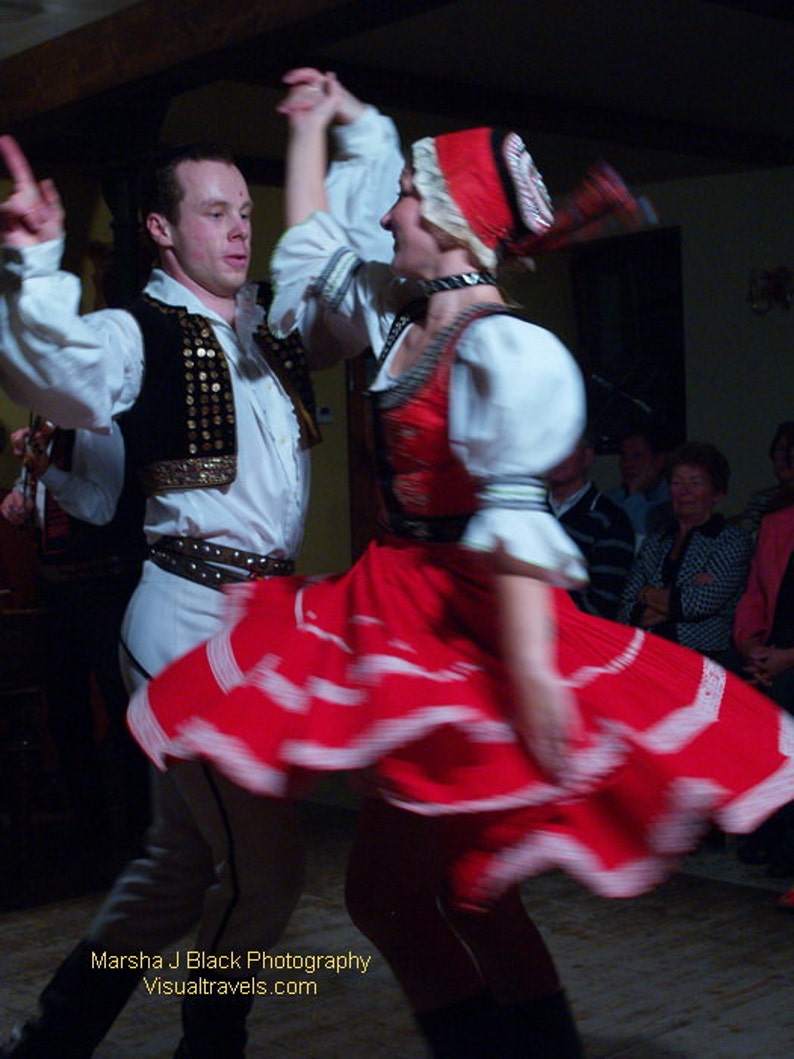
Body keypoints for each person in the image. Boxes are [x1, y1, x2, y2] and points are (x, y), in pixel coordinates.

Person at [127, 71, 794, 1059]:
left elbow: (518, 528)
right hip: (403, 616)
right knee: (456, 897)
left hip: (465, 634)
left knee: (422, 896)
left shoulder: (499, 348)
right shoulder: (401, 321)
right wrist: (326, 128)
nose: (386, 204)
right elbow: (314, 260)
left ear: (438, 217)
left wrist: (526, 675)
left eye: (402, 189)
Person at [0, 127, 400, 1057]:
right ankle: (211, 1043)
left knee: (175, 872)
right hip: (182, 620)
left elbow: (360, 291)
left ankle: (51, 1038)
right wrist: (34, 264)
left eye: (245, 211)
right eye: (213, 212)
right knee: (267, 876)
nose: (236, 229)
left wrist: (360, 146)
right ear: (162, 229)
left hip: (263, 620)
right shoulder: (132, 331)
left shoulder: (273, 330)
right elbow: (57, 378)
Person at [0, 418, 148, 864]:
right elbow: (38, 499)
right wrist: (20, 498)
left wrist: (45, 472)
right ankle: (90, 835)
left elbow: (98, 507)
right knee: (65, 715)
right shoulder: (45, 430)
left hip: (108, 587)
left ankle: (142, 836)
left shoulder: (102, 429)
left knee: (124, 711)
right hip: (55, 589)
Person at [617, 441, 752, 664]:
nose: (684, 492)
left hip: (706, 656)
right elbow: (625, 609)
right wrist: (679, 598)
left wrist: (647, 594)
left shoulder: (730, 540)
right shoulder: (657, 540)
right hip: (649, 652)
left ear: (716, 493)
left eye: (695, 483)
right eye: (677, 482)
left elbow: (700, 603)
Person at [733, 494, 794, 880]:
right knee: (742, 700)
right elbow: (753, 599)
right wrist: (753, 647)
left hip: (789, 658)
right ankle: (768, 830)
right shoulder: (777, 524)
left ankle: (784, 838)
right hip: (773, 649)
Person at [546, 433, 635, 618]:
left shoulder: (611, 520)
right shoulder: (529, 511)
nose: (557, 455)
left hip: (577, 634)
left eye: (567, 448)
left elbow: (603, 602)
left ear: (587, 456)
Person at [605, 425, 672, 548]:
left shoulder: (675, 501)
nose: (628, 464)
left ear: (659, 460)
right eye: (624, 456)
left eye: (637, 456)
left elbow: (645, 547)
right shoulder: (609, 499)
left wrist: (635, 494)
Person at [734, 420, 794, 539]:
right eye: (781, 450)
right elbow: (746, 539)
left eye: (792, 450)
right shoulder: (761, 500)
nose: (786, 457)